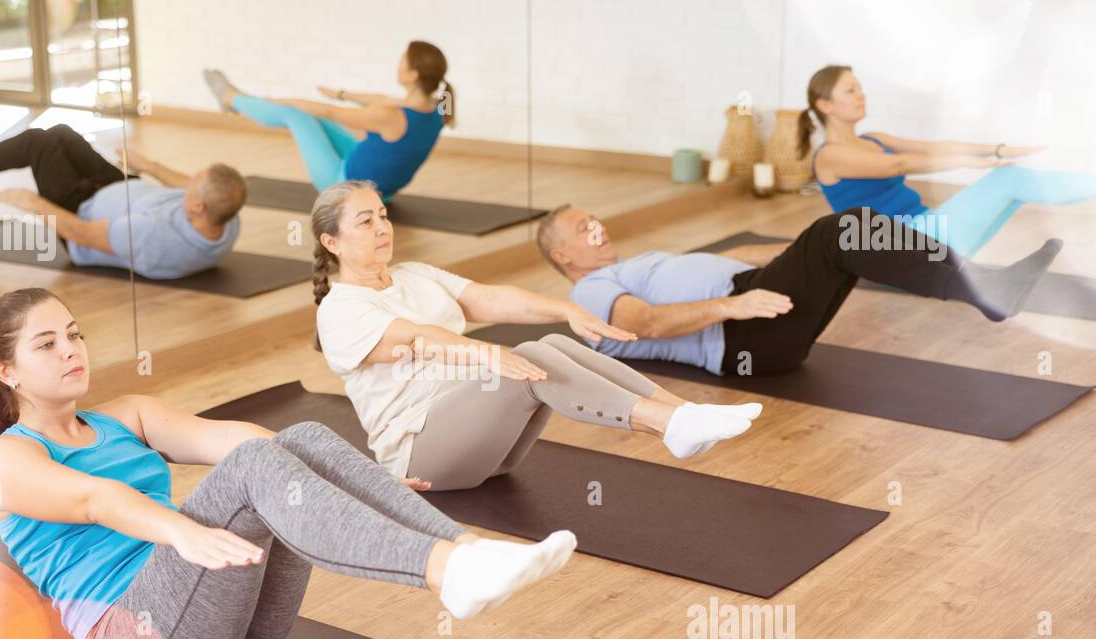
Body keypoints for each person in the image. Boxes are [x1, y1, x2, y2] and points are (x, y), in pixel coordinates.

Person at [0, 286, 577, 639]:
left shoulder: (127, 415)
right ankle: (445, 572)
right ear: (5, 372)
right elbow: (94, 501)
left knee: (295, 437)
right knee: (256, 467)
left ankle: (466, 551)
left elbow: (237, 439)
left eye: (75, 335)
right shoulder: (5, 456)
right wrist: (180, 531)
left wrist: (359, 473)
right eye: (47, 345)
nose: (71, 351)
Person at [311, 181, 765, 493]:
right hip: (423, 459)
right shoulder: (341, 309)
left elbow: (488, 298)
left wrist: (565, 309)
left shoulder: (414, 274)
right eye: (365, 222)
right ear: (331, 242)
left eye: (384, 216)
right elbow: (420, 336)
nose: (383, 228)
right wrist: (487, 354)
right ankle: (673, 425)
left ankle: (683, 414)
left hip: (490, 450)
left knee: (551, 346)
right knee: (527, 360)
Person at [534, 204, 1061, 376]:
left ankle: (981, 283)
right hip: (741, 337)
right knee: (844, 227)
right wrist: (733, 305)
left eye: (593, 219)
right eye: (583, 229)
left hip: (752, 301)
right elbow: (644, 323)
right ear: (563, 257)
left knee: (847, 233)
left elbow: (734, 261)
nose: (596, 227)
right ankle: (983, 288)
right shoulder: (587, 294)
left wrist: (804, 250)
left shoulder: (630, 263)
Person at [802, 64, 1096, 256]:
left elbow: (933, 147)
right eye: (850, 90)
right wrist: (967, 161)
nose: (861, 95)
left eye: (860, 88)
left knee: (1012, 186)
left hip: (925, 229)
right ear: (824, 104)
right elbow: (897, 165)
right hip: (898, 248)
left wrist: (997, 149)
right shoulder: (830, 156)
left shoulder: (873, 138)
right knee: (1010, 180)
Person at [0, 121, 246, 279]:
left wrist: (33, 203)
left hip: (79, 209)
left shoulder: (154, 237)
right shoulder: (226, 214)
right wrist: (149, 166)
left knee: (39, 142)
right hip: (119, 189)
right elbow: (186, 184)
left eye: (193, 188)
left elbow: (82, 234)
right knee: (62, 133)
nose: (187, 184)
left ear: (197, 207)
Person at [203, 40, 453, 200]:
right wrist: (341, 94)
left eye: (402, 62)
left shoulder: (390, 116)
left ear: (412, 75)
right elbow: (381, 98)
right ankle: (248, 103)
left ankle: (231, 98)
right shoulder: (435, 109)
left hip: (344, 188)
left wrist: (290, 101)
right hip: (382, 191)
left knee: (296, 114)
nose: (397, 66)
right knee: (309, 115)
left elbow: (331, 112)